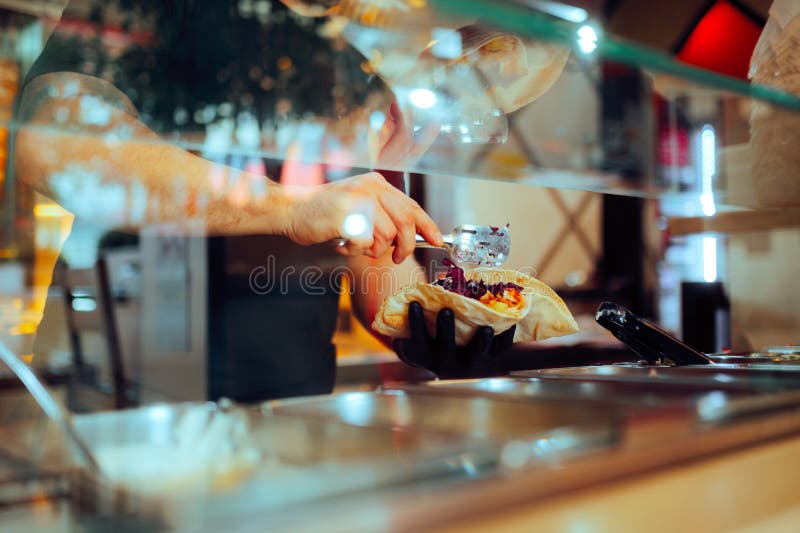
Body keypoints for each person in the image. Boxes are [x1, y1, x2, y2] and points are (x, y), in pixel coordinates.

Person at [14, 0, 511, 402]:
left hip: (293, 413)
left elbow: (371, 264)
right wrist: (289, 208)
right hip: (127, 401)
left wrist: (434, 326)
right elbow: (52, 145)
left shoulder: (348, 58)